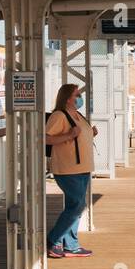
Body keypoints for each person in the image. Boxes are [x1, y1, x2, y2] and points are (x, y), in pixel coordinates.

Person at [44, 83, 97, 258]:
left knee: (74, 206)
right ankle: (54, 240)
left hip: (83, 168)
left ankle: (70, 245)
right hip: (67, 168)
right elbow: (46, 138)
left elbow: (79, 135)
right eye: (77, 94)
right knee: (77, 205)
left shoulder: (78, 115)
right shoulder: (59, 115)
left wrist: (91, 133)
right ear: (67, 98)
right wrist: (69, 136)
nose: (79, 97)